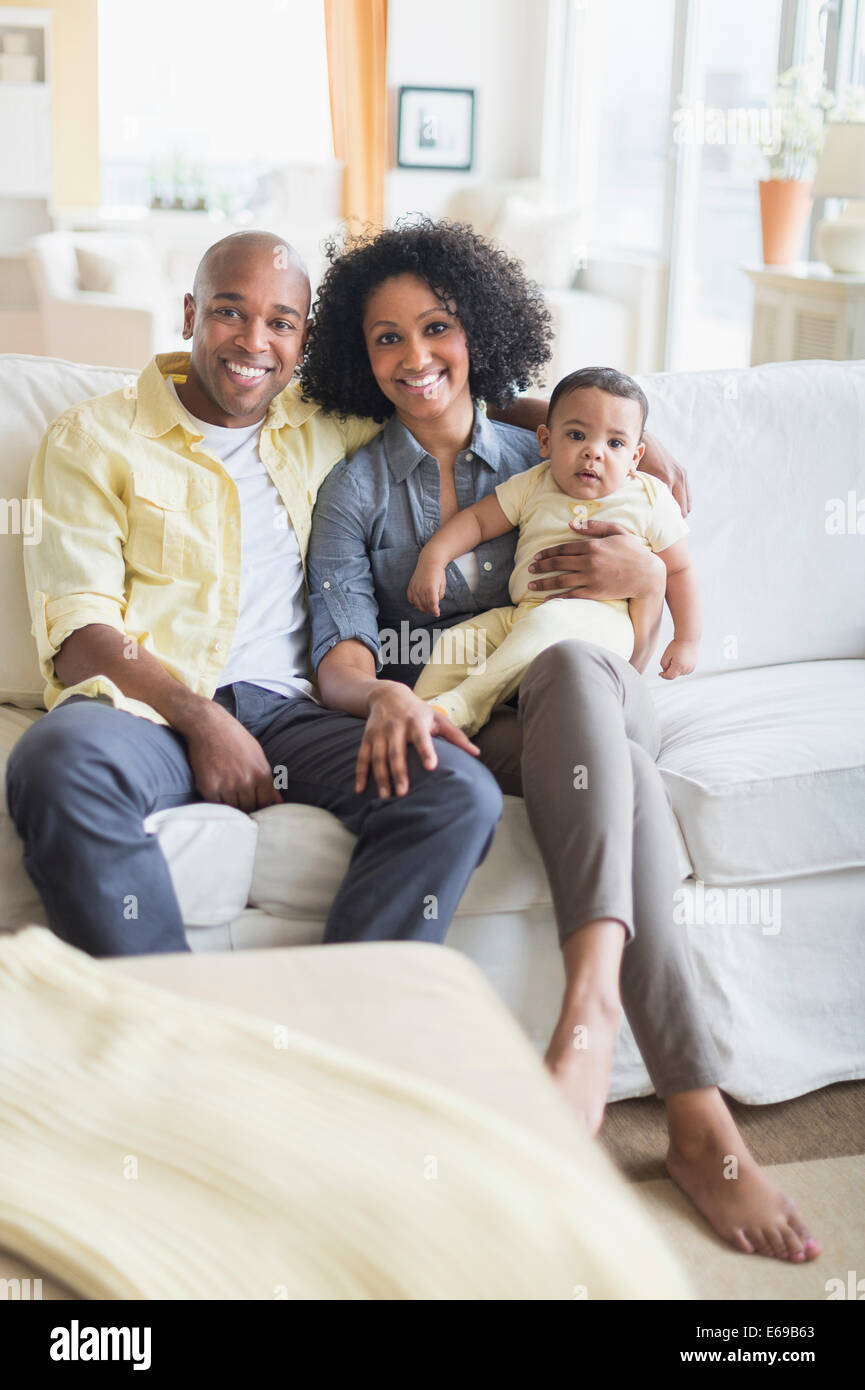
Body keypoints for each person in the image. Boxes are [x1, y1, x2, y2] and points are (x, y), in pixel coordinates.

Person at [302, 218, 819, 1262]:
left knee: (575, 671)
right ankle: (696, 1118)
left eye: (436, 328)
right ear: (358, 358)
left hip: (595, 681)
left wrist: (643, 585)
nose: (414, 359)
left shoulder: (557, 442)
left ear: (478, 332)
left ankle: (589, 1011)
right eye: (385, 339)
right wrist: (390, 700)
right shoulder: (354, 488)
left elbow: (659, 560)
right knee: (618, 774)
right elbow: (339, 657)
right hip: (475, 724)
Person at [6, 230, 504, 960]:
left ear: (303, 339)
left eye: (281, 322)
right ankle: (169, 1036)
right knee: (55, 762)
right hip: (149, 715)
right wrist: (201, 721)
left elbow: (439, 397)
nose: (253, 341)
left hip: (295, 714)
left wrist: (588, 426)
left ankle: (334, 1039)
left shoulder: (323, 423)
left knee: (456, 789)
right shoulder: (92, 440)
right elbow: (81, 634)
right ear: (189, 313)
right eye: (229, 312)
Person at [409, 365, 701, 735]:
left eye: (615, 443)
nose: (593, 453)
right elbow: (479, 522)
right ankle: (419, 716)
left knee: (547, 624)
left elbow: (679, 570)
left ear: (635, 456)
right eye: (577, 435)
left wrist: (686, 639)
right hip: (524, 614)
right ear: (545, 441)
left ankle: (464, 706)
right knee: (459, 641)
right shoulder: (535, 483)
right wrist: (434, 556)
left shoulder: (647, 497)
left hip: (602, 623)